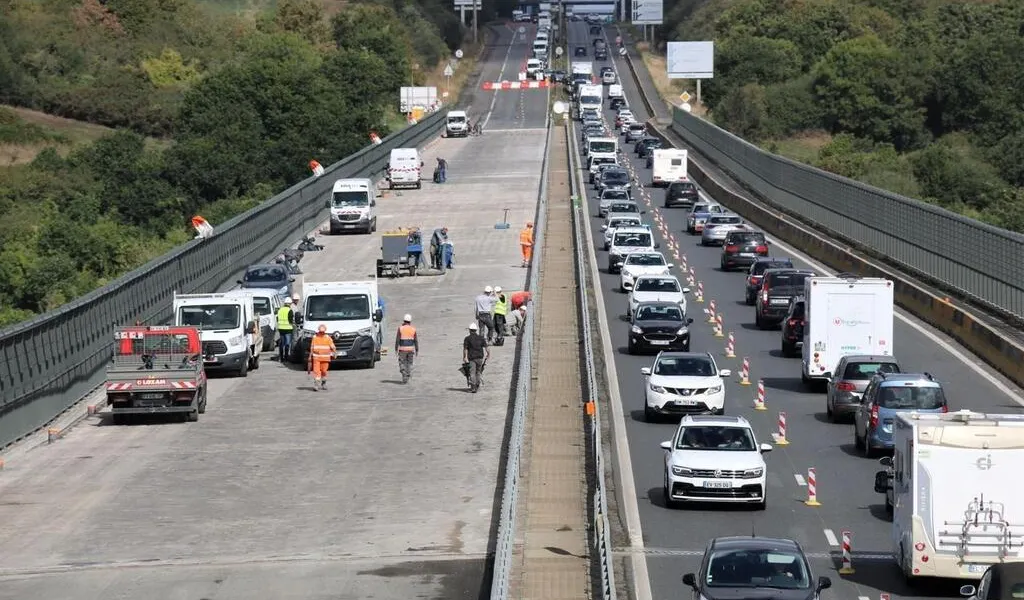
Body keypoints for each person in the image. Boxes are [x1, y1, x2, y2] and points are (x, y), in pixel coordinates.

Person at [463, 322, 489, 393]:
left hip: (472, 358)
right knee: (478, 372)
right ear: (476, 330)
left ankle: (473, 387)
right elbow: (486, 347)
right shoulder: (481, 338)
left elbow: (465, 349)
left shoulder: (467, 339)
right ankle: (477, 385)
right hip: (480, 357)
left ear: (470, 330)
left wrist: (465, 357)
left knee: (472, 373)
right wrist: (488, 354)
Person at [308, 324, 336, 391]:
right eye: (320, 331)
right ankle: (316, 385)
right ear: (318, 331)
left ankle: (323, 383)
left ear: (325, 331)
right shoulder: (315, 337)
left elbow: (332, 346)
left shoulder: (328, 338)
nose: (321, 333)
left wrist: (335, 352)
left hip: (325, 358)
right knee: (316, 372)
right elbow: (312, 347)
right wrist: (310, 356)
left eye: (323, 332)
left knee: (324, 371)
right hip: (316, 358)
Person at [394, 314, 418, 384]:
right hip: (410, 350)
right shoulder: (413, 329)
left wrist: (396, 349)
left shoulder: (400, 328)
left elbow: (397, 340)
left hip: (402, 350)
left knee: (402, 363)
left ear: (404, 321)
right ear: (410, 321)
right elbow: (415, 340)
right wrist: (417, 349)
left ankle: (404, 374)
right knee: (409, 363)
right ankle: (407, 374)